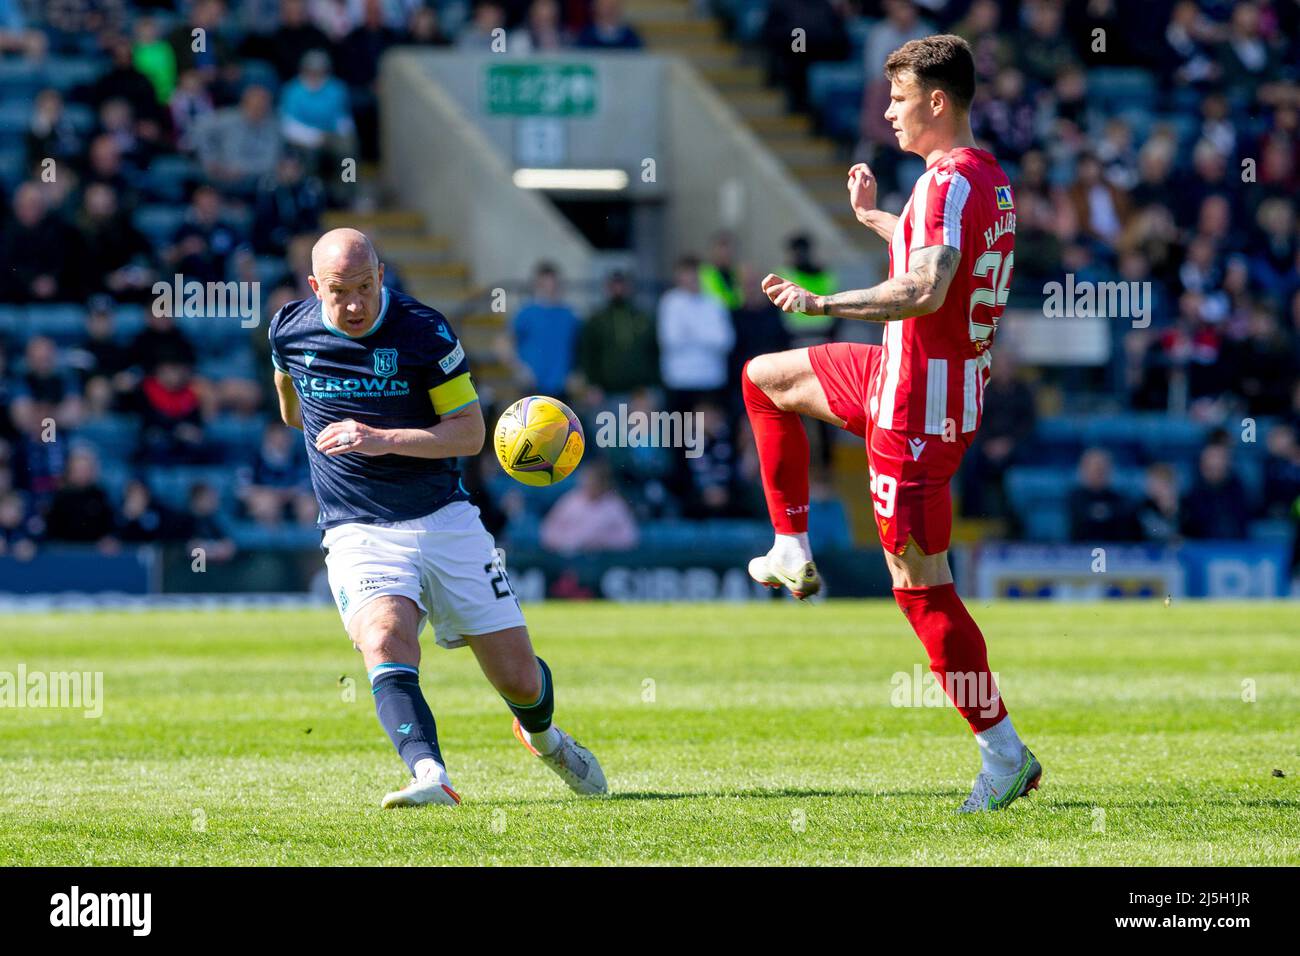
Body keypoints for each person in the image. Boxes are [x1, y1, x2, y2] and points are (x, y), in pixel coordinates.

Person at [742, 35, 1040, 813]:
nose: (888, 112)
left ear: (937, 101)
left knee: (919, 589)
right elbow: (941, 254)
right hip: (906, 379)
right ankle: (790, 546)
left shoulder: (945, 182)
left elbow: (926, 288)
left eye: (899, 99)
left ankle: (1003, 753)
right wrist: (879, 217)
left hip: (916, 414)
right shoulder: (986, 181)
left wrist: (823, 302)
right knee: (765, 380)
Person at [269, 228, 606, 808]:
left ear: (382, 275)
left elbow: (470, 433)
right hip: (357, 527)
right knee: (384, 639)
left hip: (444, 519)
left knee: (521, 682)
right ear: (313, 286)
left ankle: (544, 736)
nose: (352, 305)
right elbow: (289, 399)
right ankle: (429, 772)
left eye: (364, 288)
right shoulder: (289, 329)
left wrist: (378, 438)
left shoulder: (424, 332)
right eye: (338, 292)